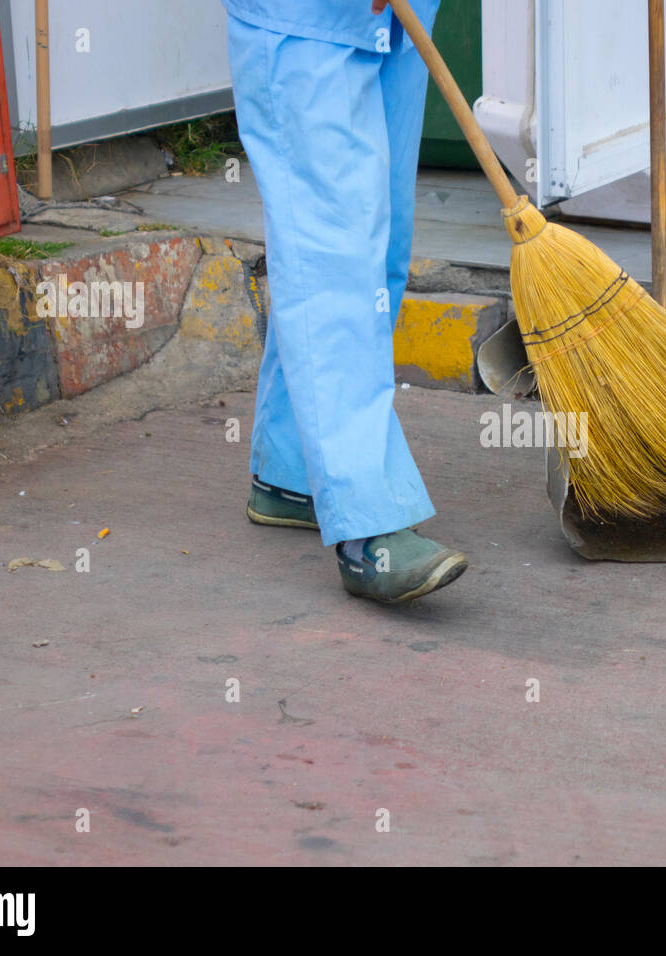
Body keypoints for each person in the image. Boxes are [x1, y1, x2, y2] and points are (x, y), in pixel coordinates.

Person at [221, 0, 466, 602]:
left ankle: (293, 473)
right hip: (305, 20)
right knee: (333, 255)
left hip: (398, 20)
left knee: (378, 253)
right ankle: (365, 521)